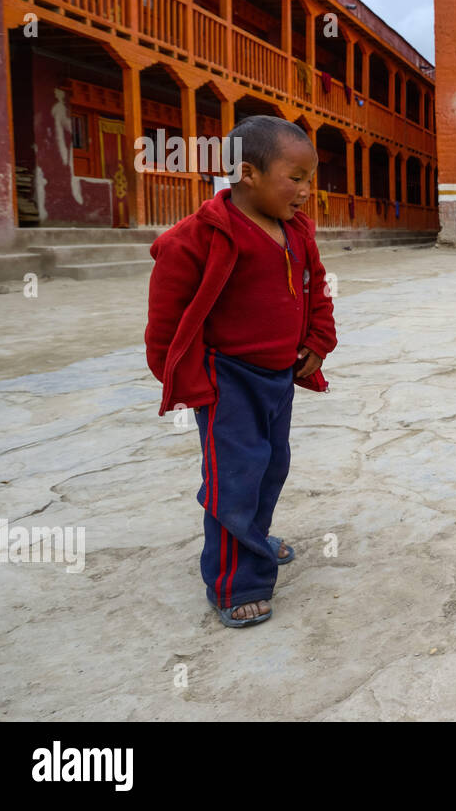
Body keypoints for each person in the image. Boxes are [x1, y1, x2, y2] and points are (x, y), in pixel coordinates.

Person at [145, 115, 337, 627]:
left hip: (278, 376)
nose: (304, 192)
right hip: (226, 379)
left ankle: (253, 538)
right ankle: (236, 583)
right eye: (294, 178)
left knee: (271, 467)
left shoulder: (296, 231)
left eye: (309, 181)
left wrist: (318, 340)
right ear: (247, 173)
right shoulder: (198, 237)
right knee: (235, 476)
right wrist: (179, 374)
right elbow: (166, 318)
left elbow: (317, 289)